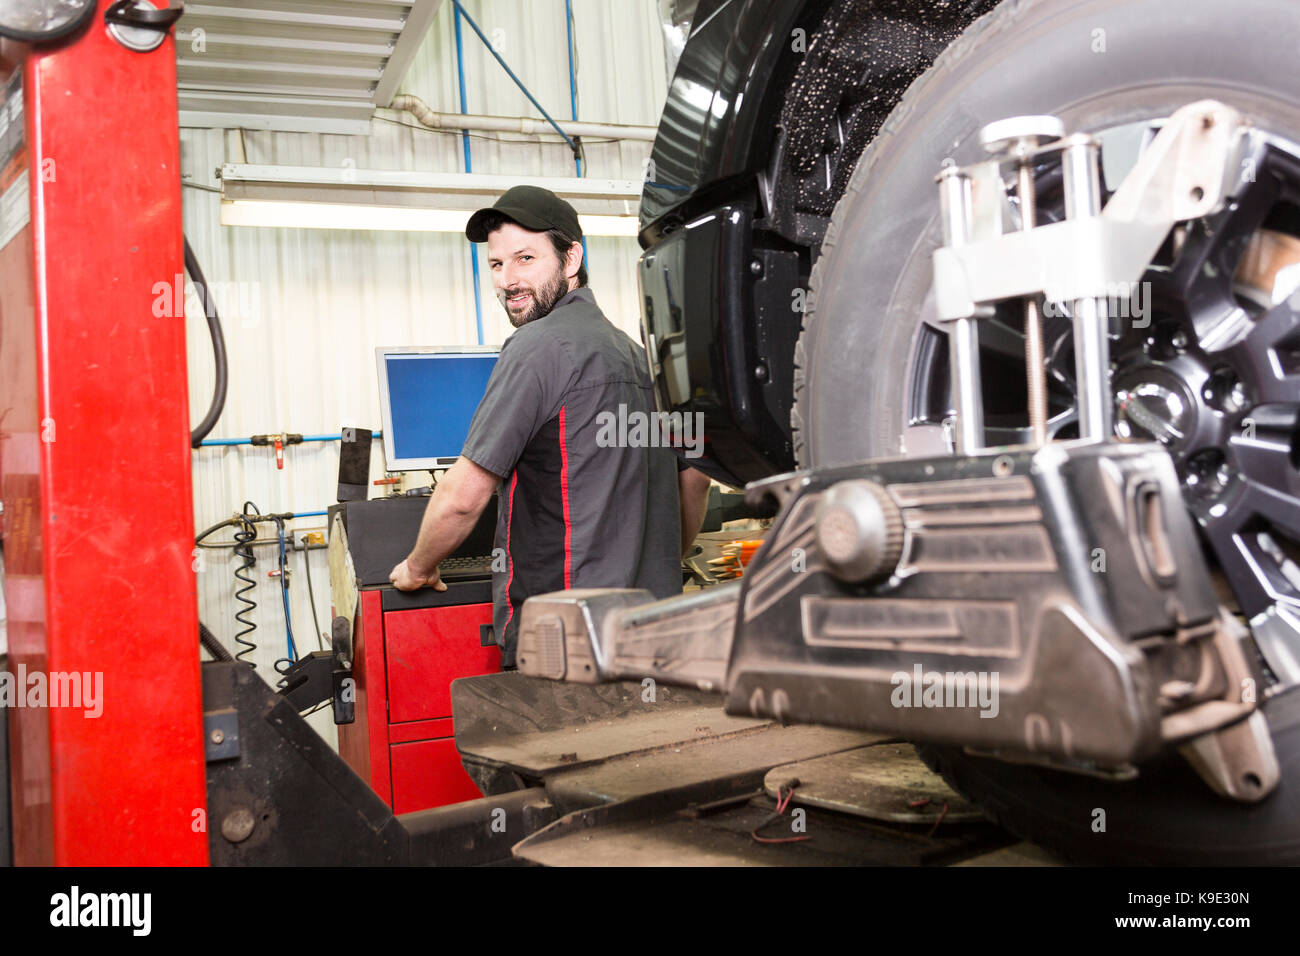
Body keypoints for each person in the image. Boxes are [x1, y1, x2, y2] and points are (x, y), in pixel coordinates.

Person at [389, 185, 711, 668]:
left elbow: (462, 498)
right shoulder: (644, 357)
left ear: (571, 257)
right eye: (497, 265)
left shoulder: (536, 348)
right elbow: (697, 477)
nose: (507, 280)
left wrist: (417, 567)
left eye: (525, 258)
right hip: (655, 627)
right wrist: (657, 559)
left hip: (565, 637)